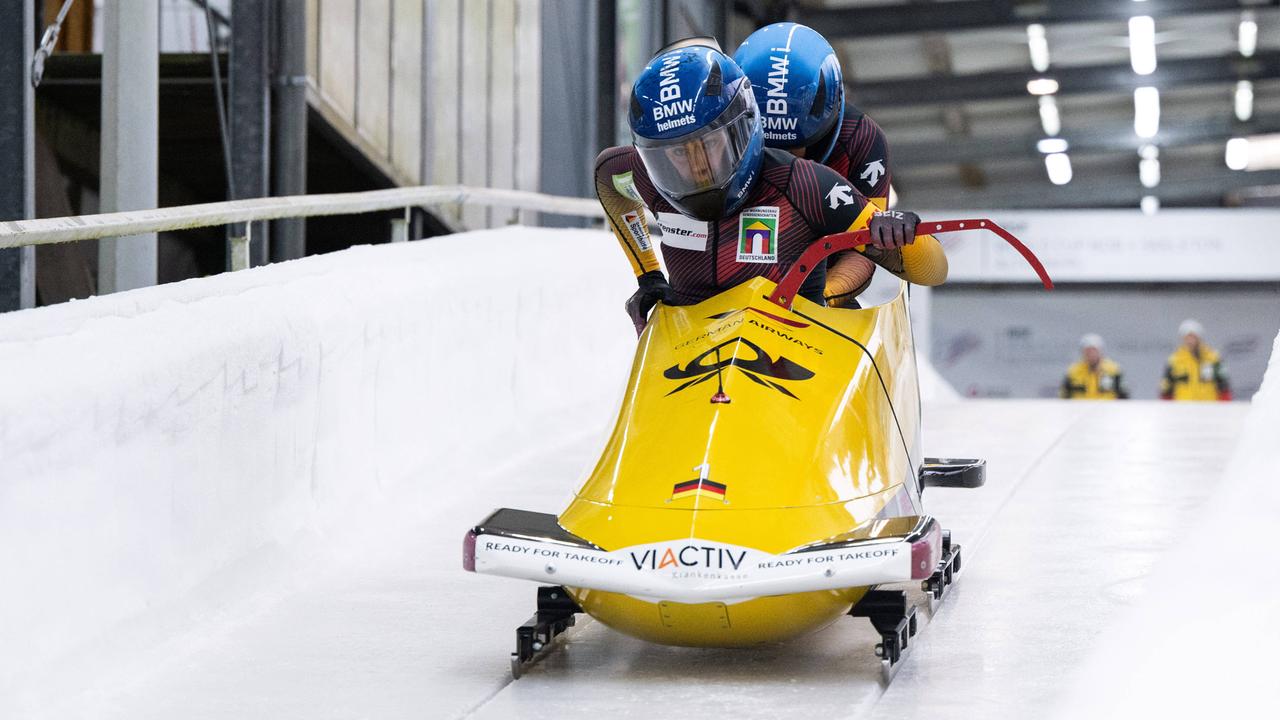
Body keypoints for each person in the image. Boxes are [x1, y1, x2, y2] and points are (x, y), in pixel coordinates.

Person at [594, 41, 948, 333]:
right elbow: (609, 180)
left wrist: (899, 236)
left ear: (743, 126)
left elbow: (932, 268)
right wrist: (649, 277)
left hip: (791, 356)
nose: (697, 167)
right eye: (676, 154)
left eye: (710, 145)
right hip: (689, 358)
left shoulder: (804, 184)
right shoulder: (634, 170)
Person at [734, 22, 921, 307]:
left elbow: (863, 248)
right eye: (768, 150)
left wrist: (821, 298)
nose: (782, 166)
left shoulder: (861, 140)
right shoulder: (720, 139)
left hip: (815, 293)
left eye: (793, 148)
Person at [1160, 319, 1232, 401]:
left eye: (1193, 337)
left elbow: (1224, 387)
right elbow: (1166, 390)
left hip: (1209, 408)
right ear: (1182, 339)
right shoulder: (1174, 361)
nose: (1190, 341)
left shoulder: (1213, 359)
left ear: (1199, 338)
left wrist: (1224, 409)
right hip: (1182, 409)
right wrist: (1168, 410)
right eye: (1187, 337)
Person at [1060, 334, 1129, 400]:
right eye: (1087, 351)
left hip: (1106, 410)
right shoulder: (1073, 372)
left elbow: (1123, 396)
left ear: (1100, 351)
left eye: (1094, 350)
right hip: (1080, 410)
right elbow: (1064, 395)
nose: (1091, 354)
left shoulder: (1113, 370)